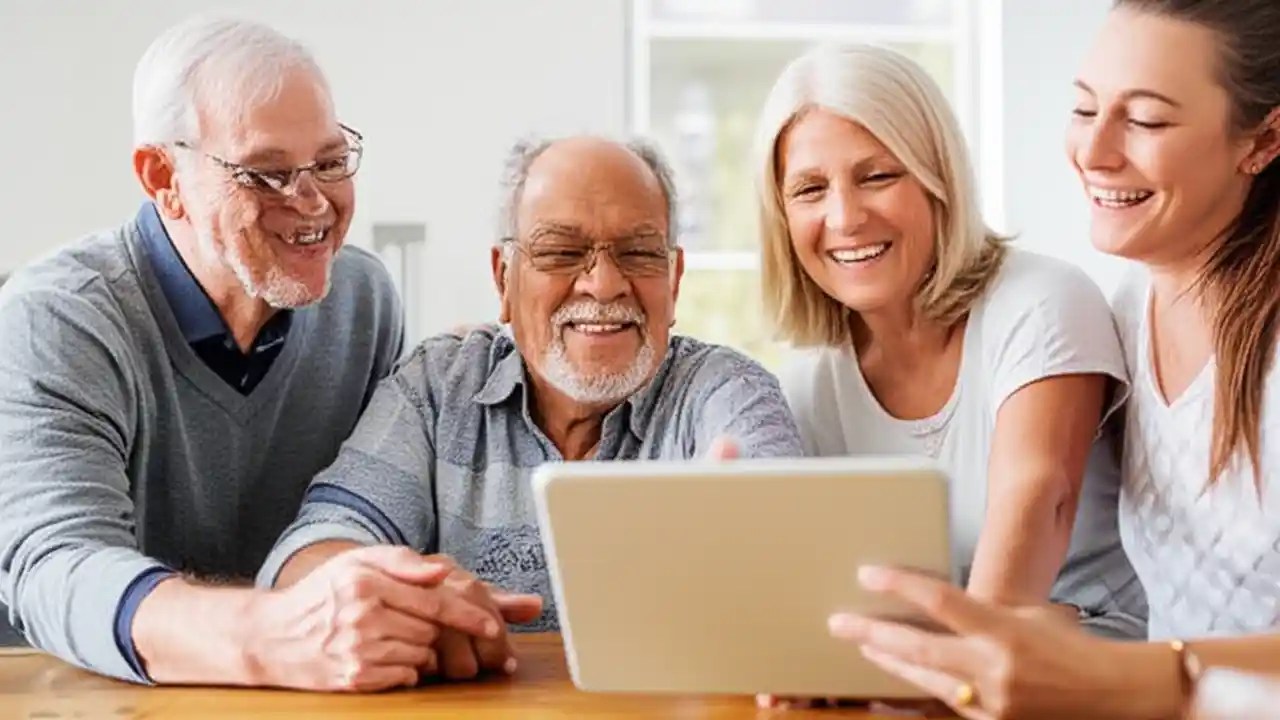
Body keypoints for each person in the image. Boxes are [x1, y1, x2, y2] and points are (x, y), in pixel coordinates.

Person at [0, 16, 520, 691]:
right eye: (266, 174)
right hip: (82, 695)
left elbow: (357, 518)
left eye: (331, 163)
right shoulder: (58, 318)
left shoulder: (361, 299)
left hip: (293, 698)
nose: (313, 204)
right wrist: (279, 633)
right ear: (163, 176)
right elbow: (58, 569)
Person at [821, 1, 1280, 718]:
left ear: (1263, 139)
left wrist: (1139, 674)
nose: (1093, 152)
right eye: (1084, 108)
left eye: (1147, 120)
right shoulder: (1127, 312)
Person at [256, 135, 805, 679]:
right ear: (503, 279)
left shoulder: (728, 391)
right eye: (562, 252)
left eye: (638, 253)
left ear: (675, 280)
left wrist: (750, 554)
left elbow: (797, 562)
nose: (605, 284)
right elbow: (308, 555)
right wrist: (401, 594)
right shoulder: (437, 387)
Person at [756, 45, 1144, 632]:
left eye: (878, 176)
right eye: (809, 190)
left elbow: (1040, 500)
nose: (845, 217)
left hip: (1089, 654)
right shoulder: (808, 383)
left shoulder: (1041, 303)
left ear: (939, 179)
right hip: (924, 669)